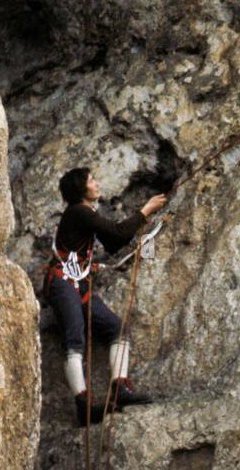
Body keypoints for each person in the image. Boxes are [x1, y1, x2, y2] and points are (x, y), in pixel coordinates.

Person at [43, 167, 167, 426]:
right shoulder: (78, 211)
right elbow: (117, 235)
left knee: (117, 328)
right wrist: (145, 210)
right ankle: (83, 403)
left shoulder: (86, 214)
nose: (97, 184)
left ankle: (119, 387)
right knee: (74, 336)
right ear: (81, 189)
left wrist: (143, 217)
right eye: (92, 181)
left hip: (77, 283)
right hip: (63, 282)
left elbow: (112, 243)